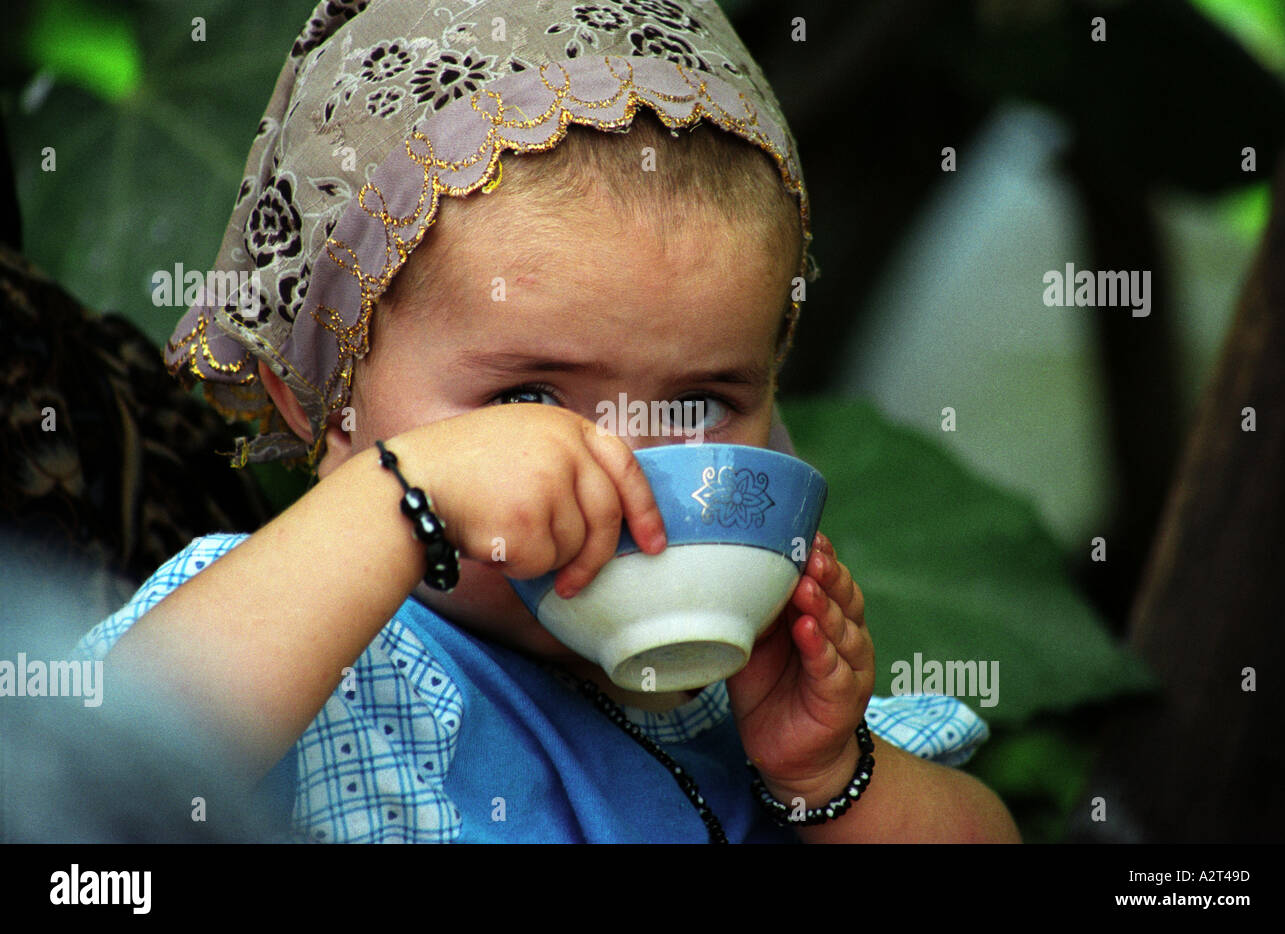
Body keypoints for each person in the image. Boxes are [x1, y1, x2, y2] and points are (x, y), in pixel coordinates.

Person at [75, 0, 1019, 843]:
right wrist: (401, 504)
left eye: (700, 405)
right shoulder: (306, 653)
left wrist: (829, 777)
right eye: (525, 401)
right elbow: (83, 779)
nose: (621, 469)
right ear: (324, 403)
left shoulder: (760, 709)